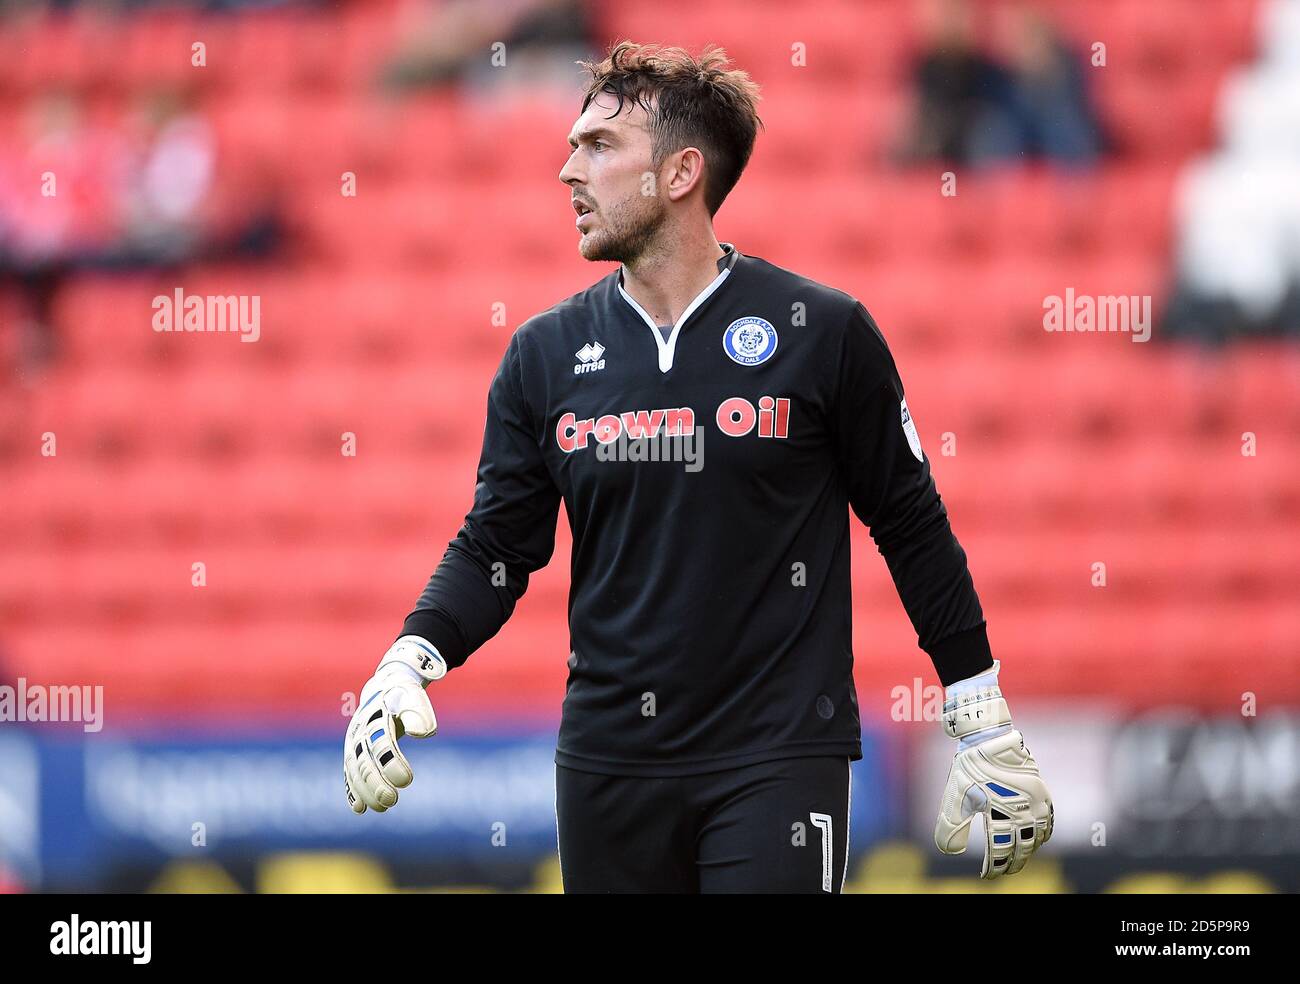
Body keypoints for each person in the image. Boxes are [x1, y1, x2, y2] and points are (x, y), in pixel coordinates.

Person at [343, 41, 1053, 893]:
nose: (568, 170)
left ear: (682, 173)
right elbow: (498, 546)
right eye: (573, 146)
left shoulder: (822, 332)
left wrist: (977, 706)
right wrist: (410, 656)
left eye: (599, 146)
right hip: (607, 766)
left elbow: (910, 523)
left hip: (777, 757)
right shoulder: (544, 355)